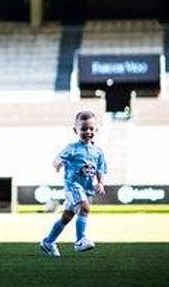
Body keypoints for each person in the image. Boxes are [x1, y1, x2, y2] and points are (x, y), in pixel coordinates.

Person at [39, 110, 107, 257]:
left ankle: (48, 242)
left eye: (91, 128)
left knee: (67, 217)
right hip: (73, 187)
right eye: (83, 129)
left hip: (87, 188)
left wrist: (100, 183)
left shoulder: (98, 152)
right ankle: (80, 240)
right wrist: (57, 163)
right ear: (75, 130)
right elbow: (58, 158)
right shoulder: (72, 148)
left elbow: (100, 169)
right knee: (84, 208)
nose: (87, 131)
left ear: (96, 129)